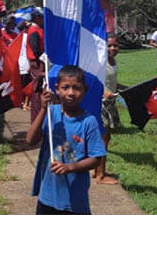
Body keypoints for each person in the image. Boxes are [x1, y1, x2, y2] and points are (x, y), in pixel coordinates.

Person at [26, 65, 106, 214]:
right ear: (56, 88)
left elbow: (96, 159)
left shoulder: (89, 121)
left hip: (74, 199)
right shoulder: (51, 114)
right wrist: (43, 109)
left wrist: (70, 167)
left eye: (76, 88)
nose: (70, 93)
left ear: (85, 91)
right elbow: (30, 140)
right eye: (65, 87)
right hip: (47, 195)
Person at [94, 35, 127, 184]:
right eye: (109, 46)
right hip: (100, 103)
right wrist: (103, 92)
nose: (112, 48)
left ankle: (97, 170)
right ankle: (101, 175)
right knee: (103, 138)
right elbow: (94, 81)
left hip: (110, 103)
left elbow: (111, 82)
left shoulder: (113, 62)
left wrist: (126, 88)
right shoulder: (101, 62)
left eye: (115, 45)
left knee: (105, 137)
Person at [26, 8, 46, 123]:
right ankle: (36, 117)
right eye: (41, 17)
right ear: (37, 18)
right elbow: (35, 49)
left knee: (39, 88)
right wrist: (42, 57)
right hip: (36, 63)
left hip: (38, 62)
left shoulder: (37, 29)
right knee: (37, 88)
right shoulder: (33, 30)